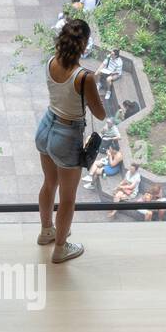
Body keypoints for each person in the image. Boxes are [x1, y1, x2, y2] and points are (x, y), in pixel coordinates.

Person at [34, 17, 105, 264]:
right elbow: (100, 113)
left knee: (49, 183)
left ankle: (46, 232)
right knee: (67, 198)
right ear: (83, 45)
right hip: (67, 135)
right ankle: (61, 248)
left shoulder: (51, 62)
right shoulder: (84, 76)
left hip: (45, 127)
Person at [97, 48, 123, 116]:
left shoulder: (119, 62)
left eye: (112, 54)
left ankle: (108, 91)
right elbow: (104, 63)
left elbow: (118, 72)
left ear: (116, 56)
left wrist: (111, 73)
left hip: (115, 73)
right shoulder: (109, 57)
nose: (110, 55)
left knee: (108, 79)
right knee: (99, 72)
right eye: (111, 53)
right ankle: (99, 84)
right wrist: (99, 70)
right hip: (108, 70)